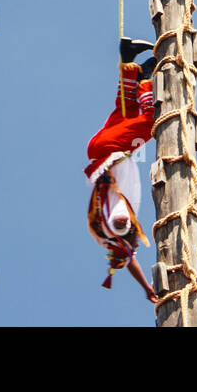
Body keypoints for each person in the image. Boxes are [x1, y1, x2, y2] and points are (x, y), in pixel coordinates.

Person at [85, 37, 160, 303]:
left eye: (133, 246)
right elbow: (131, 261)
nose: (138, 246)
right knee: (125, 113)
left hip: (110, 152)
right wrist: (146, 287)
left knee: (152, 122)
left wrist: (122, 233)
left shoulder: (118, 222)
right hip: (100, 150)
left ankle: (146, 77)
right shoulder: (105, 222)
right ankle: (128, 58)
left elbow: (123, 241)